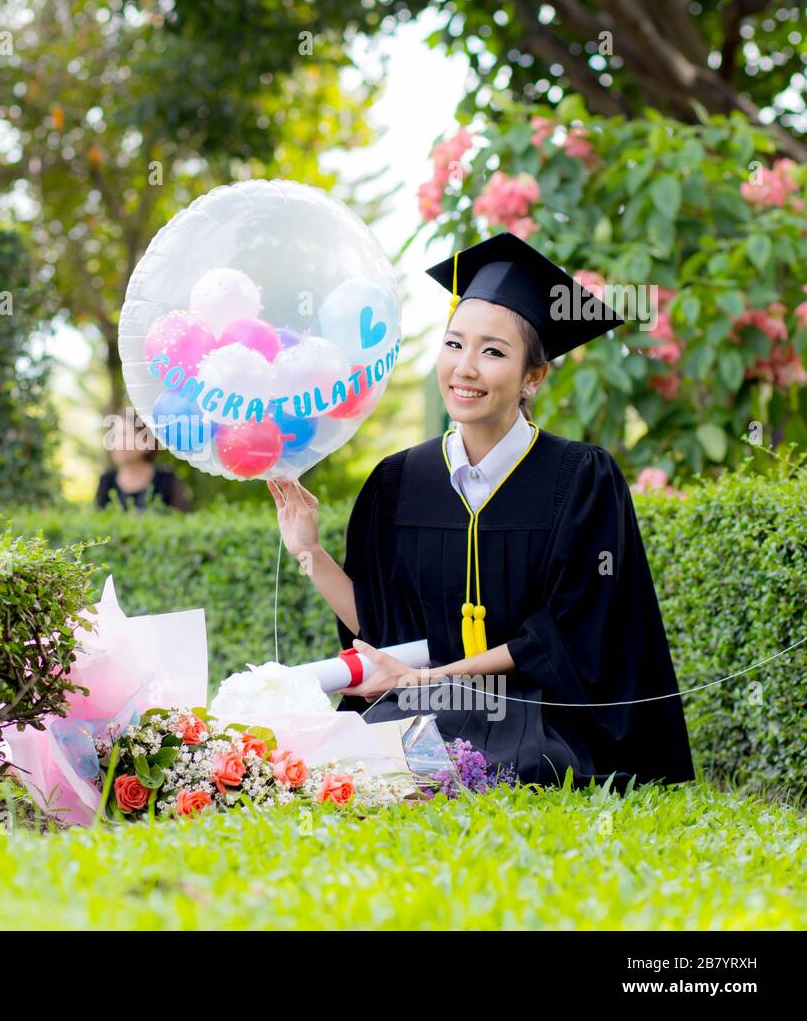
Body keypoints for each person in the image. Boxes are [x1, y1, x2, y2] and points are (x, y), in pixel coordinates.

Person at [268, 231, 695, 791]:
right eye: (454, 344)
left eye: (493, 351)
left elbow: (569, 637)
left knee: (528, 766)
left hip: (541, 715)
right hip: (423, 713)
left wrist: (430, 680)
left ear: (532, 377)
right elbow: (381, 626)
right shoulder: (397, 483)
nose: (464, 368)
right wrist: (309, 551)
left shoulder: (582, 479)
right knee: (352, 761)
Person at [96, 412, 193, 512]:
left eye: (125, 435)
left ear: (146, 441)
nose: (117, 442)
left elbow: (180, 518)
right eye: (114, 436)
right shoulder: (106, 481)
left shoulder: (166, 480)